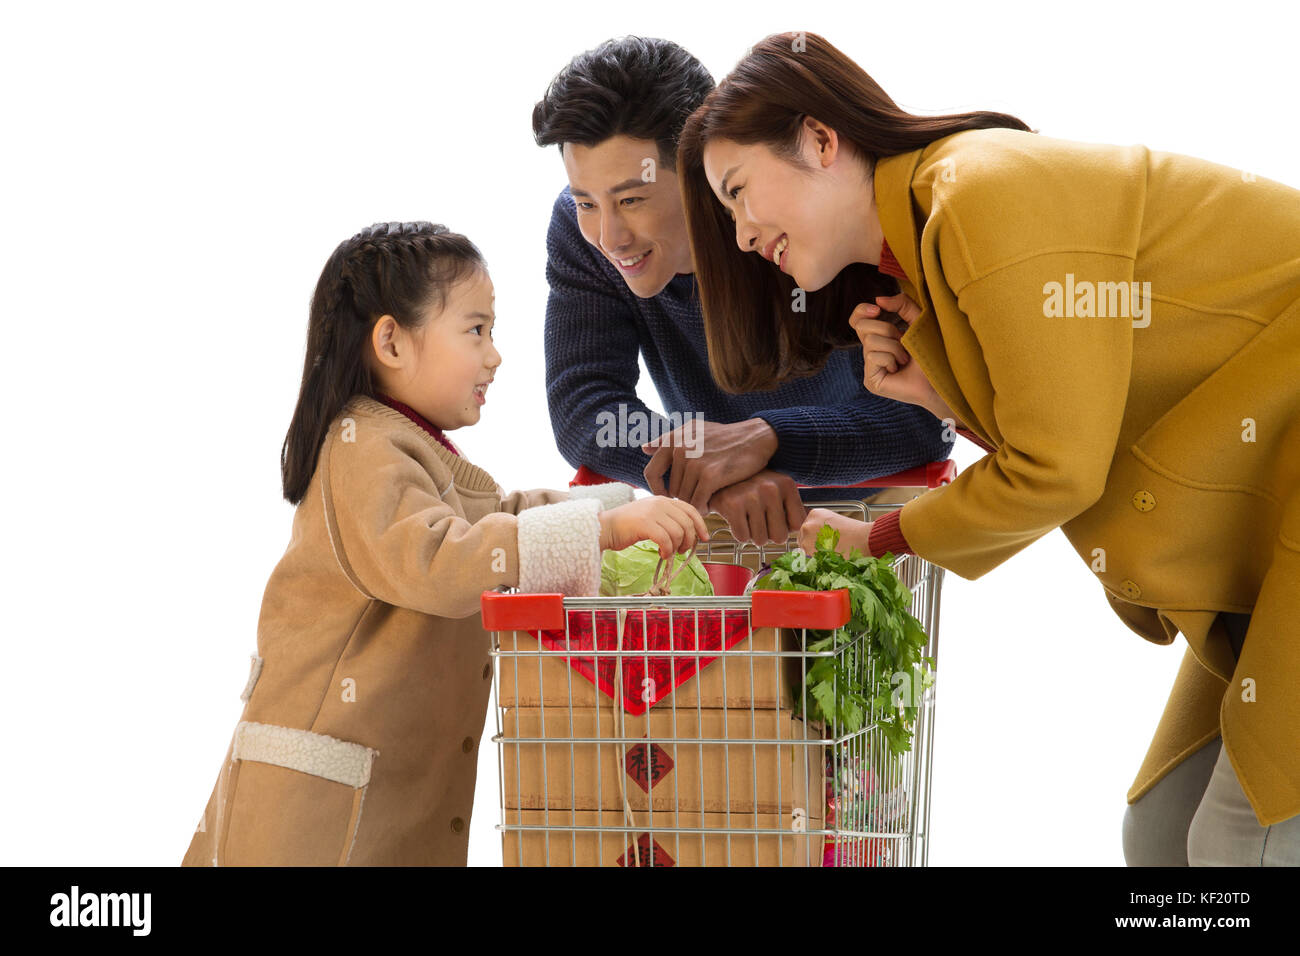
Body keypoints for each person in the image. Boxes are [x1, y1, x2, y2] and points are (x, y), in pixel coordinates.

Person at [676, 31, 1300, 865]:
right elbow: (1085, 418)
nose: (745, 234)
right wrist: (944, 396)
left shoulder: (978, 193)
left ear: (821, 140)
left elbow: (1060, 469)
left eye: (740, 191)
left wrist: (883, 536)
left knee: (1238, 840)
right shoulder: (936, 238)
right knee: (1155, 833)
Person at [181, 221, 706, 866]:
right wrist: (602, 529)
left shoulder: (407, 444)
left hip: (379, 795)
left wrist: (617, 507)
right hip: (318, 814)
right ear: (391, 342)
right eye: (476, 329)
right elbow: (445, 563)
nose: (495, 355)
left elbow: (495, 515)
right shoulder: (363, 448)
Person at [530, 37, 957, 554]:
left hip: (876, 508)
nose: (610, 236)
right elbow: (585, 407)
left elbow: (930, 412)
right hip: (728, 520)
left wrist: (767, 440)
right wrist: (712, 469)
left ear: (698, 172)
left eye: (632, 198)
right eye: (586, 201)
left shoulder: (795, 216)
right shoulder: (583, 236)